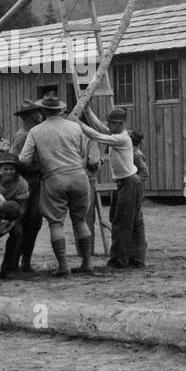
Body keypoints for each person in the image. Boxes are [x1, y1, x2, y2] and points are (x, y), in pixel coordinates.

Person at [19, 93, 94, 276]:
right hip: (78, 176)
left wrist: (43, 163)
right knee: (80, 220)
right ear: (60, 110)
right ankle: (87, 263)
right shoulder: (75, 127)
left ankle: (63, 266)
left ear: (43, 111)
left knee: (55, 223)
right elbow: (83, 152)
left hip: (54, 178)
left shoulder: (35, 132)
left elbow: (24, 159)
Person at [79, 107, 146, 269]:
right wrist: (88, 111)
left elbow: (96, 135)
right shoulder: (117, 134)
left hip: (129, 183)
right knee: (134, 222)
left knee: (121, 223)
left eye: (111, 123)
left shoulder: (122, 138)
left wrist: (77, 123)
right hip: (126, 183)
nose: (108, 125)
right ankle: (136, 259)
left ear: (119, 124)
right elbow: (100, 128)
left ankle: (118, 260)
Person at [1, 100, 45, 277]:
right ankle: (16, 264)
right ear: (32, 116)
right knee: (25, 223)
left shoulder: (33, 133)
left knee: (34, 223)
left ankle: (24, 262)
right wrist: (39, 168)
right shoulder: (23, 136)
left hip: (34, 182)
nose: (41, 116)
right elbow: (16, 162)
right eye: (38, 114)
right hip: (26, 184)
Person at [0, 152, 30, 278]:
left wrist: (10, 223)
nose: (8, 172)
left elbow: (22, 207)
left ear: (16, 170)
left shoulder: (22, 184)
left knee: (18, 233)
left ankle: (8, 268)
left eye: (11, 169)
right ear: (0, 169)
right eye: (5, 169)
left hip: (13, 215)